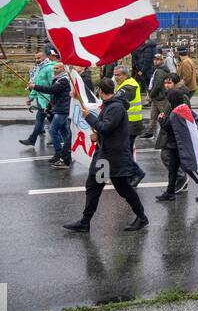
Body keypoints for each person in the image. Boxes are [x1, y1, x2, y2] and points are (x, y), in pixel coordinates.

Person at [62, 77, 149, 233]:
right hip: (105, 157)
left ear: (100, 91)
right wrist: (98, 136)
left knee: (124, 190)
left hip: (114, 159)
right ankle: (85, 222)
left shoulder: (116, 108)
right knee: (93, 187)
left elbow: (106, 127)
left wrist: (89, 117)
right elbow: (106, 129)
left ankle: (142, 218)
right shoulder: (109, 105)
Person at [155, 77, 198, 202]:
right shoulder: (184, 108)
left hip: (177, 145)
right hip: (179, 144)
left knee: (187, 168)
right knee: (173, 170)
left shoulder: (175, 113)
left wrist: (160, 119)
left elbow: (167, 127)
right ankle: (170, 192)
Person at [112, 65, 147, 183]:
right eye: (115, 75)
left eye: (119, 75)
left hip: (131, 124)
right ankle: (131, 174)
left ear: (126, 75)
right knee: (126, 151)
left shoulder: (129, 86)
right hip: (129, 123)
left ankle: (137, 173)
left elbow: (117, 99)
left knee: (123, 152)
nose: (116, 77)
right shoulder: (125, 84)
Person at [20, 49, 55, 146]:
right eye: (35, 58)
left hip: (48, 100)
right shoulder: (39, 68)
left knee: (52, 120)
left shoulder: (50, 68)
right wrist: (31, 97)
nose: (37, 60)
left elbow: (53, 86)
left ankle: (61, 139)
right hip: (41, 99)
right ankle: (32, 140)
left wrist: (52, 100)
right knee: (43, 119)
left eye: (39, 58)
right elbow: (36, 85)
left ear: (45, 57)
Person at [47, 63, 73, 168]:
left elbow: (52, 90)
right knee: (65, 133)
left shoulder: (64, 79)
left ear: (63, 69)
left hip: (63, 110)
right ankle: (67, 154)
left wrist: (35, 87)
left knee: (53, 130)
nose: (55, 70)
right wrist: (49, 107)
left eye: (57, 68)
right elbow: (55, 95)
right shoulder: (58, 78)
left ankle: (58, 153)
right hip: (59, 108)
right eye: (54, 68)